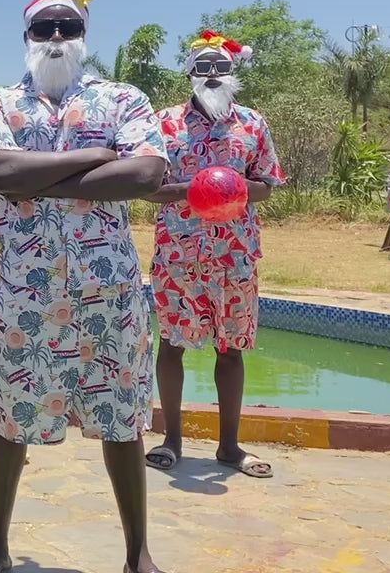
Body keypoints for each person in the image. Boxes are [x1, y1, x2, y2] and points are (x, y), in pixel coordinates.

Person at [0, 0, 169, 573]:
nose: (55, 37)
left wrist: (35, 176)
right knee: (8, 418)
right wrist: (93, 160)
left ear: (83, 33)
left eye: (66, 26)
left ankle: (138, 556)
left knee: (123, 419)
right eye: (43, 28)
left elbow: (146, 174)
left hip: (108, 292)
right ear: (26, 38)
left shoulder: (124, 98)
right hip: (25, 291)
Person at [144, 30, 285, 479]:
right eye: (202, 67)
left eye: (219, 67)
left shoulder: (252, 123)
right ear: (189, 73)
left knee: (231, 348)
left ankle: (229, 447)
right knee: (172, 344)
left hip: (235, 253)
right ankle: (171, 441)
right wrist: (194, 190)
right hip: (178, 253)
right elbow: (148, 187)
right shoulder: (164, 124)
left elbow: (268, 182)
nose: (211, 74)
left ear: (233, 72)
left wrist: (234, 187)